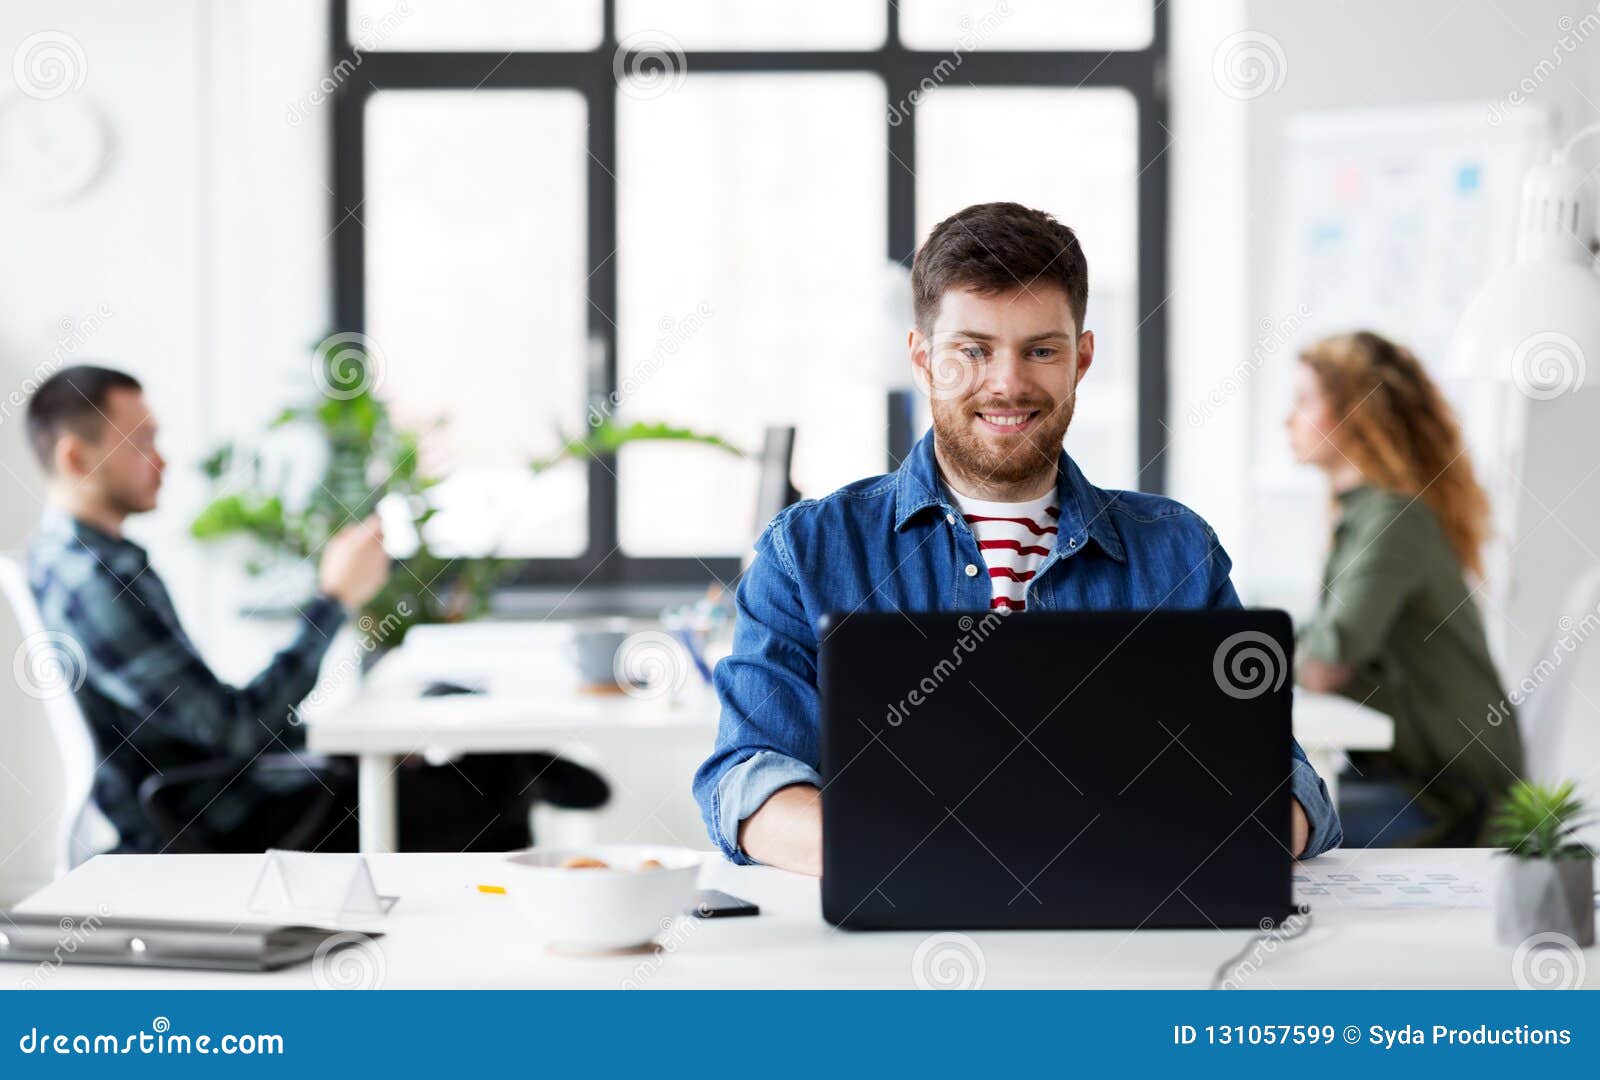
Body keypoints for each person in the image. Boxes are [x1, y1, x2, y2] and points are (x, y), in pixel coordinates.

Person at [693, 202, 1341, 875]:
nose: (1007, 383)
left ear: (1081, 359)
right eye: (972, 350)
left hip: (1124, 939)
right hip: (888, 949)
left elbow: (1286, 785)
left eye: (1040, 350)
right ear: (922, 358)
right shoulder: (809, 552)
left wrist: (1190, 842)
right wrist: (932, 857)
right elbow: (747, 780)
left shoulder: (1176, 553)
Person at [25, 365, 607, 854]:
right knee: (484, 790)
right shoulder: (94, 583)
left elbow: (210, 723)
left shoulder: (81, 563)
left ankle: (522, 765)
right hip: (225, 822)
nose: (162, 461)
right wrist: (332, 600)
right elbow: (234, 727)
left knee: (461, 762)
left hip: (231, 793)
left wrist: (329, 746)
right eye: (143, 442)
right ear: (77, 459)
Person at [1287, 331, 1524, 846]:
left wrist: (1257, 651)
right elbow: (1323, 651)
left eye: (1305, 400)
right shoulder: (1367, 515)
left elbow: (1328, 660)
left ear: (1356, 413)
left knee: (1257, 827)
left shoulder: (1393, 519)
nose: (1289, 418)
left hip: (1453, 798)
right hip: (1412, 777)